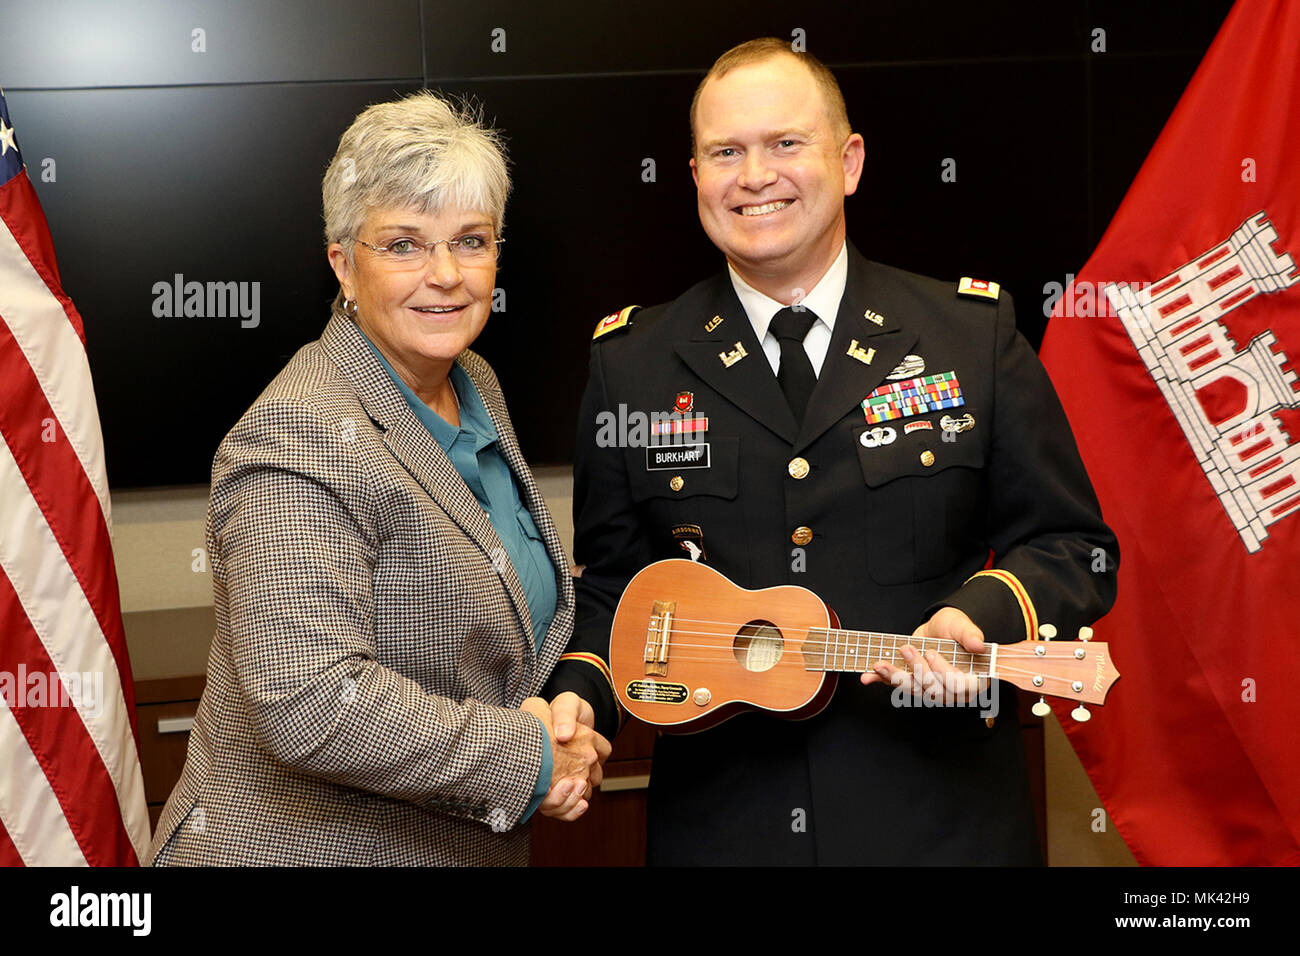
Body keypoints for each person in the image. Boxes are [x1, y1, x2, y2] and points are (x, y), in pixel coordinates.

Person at [543, 39, 1119, 865]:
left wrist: (978, 618)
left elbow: (1076, 548)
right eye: (725, 152)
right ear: (695, 176)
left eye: (785, 144)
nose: (754, 175)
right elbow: (613, 589)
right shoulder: (631, 362)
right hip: (725, 831)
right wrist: (579, 702)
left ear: (848, 162)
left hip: (941, 823)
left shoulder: (968, 334)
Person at [149, 91, 608, 866]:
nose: (445, 276)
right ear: (343, 262)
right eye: (403, 244)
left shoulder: (474, 380)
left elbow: (510, 598)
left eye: (470, 241)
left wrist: (565, 704)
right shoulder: (298, 434)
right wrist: (530, 759)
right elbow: (312, 703)